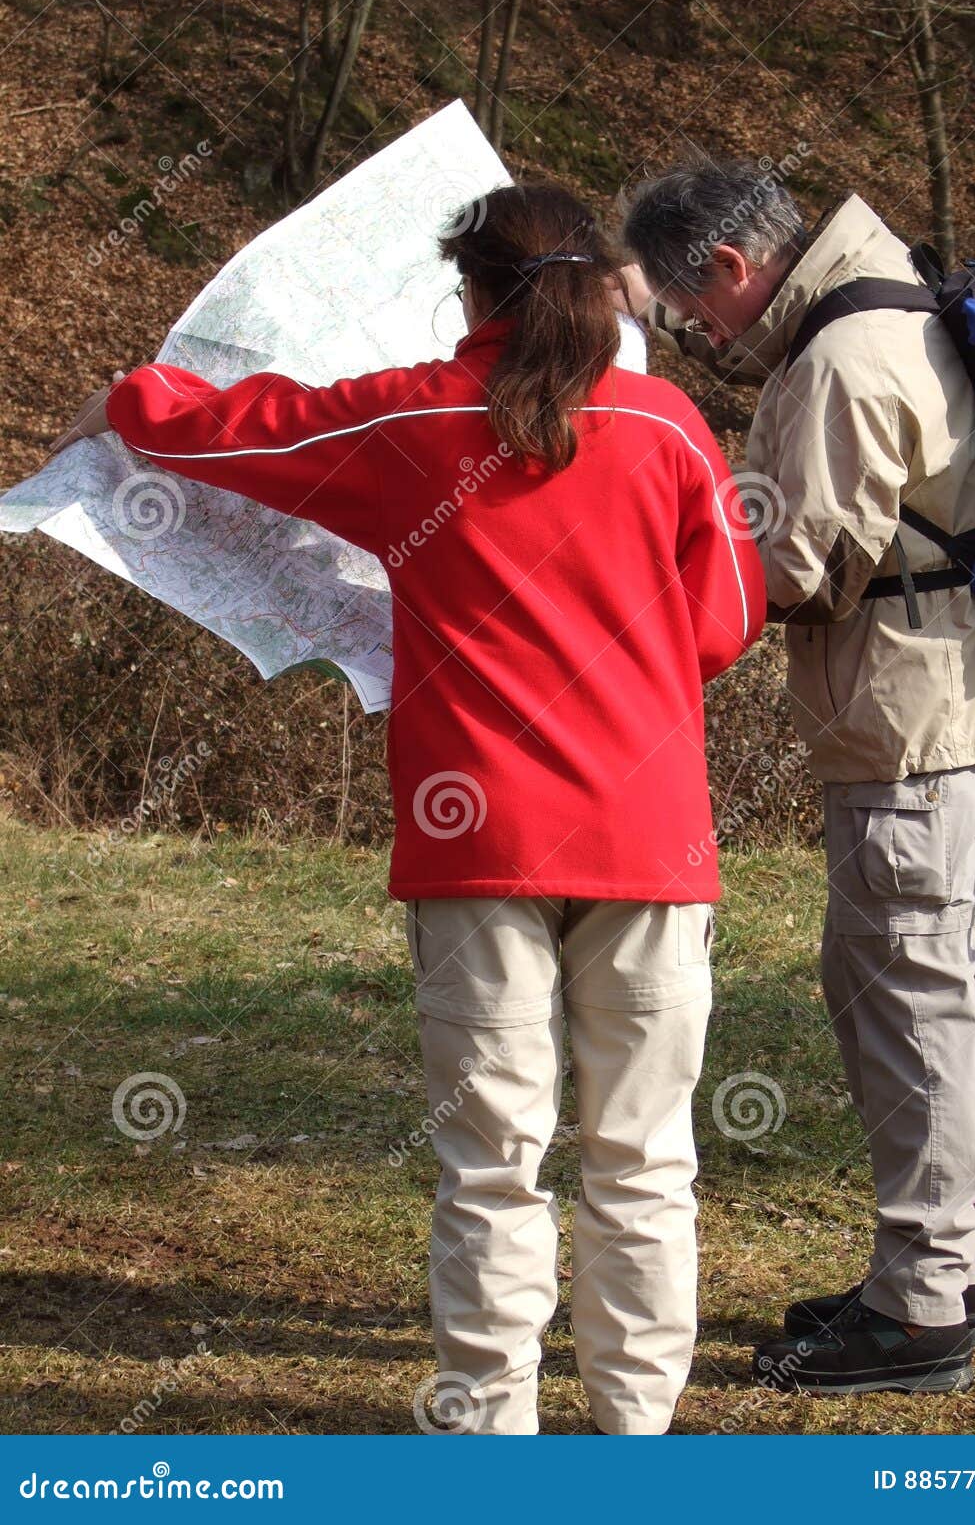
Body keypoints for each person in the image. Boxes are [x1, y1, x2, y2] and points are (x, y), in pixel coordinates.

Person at [55, 182, 765, 1434]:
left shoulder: (417, 421)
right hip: (653, 837)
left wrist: (129, 399)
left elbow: (242, 432)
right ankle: (635, 1450)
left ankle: (492, 1445)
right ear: (604, 289)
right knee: (645, 1164)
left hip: (476, 838)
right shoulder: (670, 428)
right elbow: (726, 621)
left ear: (473, 290)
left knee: (491, 1166)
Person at [619, 163, 975, 1395]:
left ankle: (923, 1305)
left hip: (914, 715)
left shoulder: (834, 364)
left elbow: (793, 572)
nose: (696, 337)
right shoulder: (884, 296)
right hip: (954, 689)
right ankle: (934, 1269)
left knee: (908, 993)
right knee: (898, 976)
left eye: (686, 310)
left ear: (727, 268)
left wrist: (660, 529)